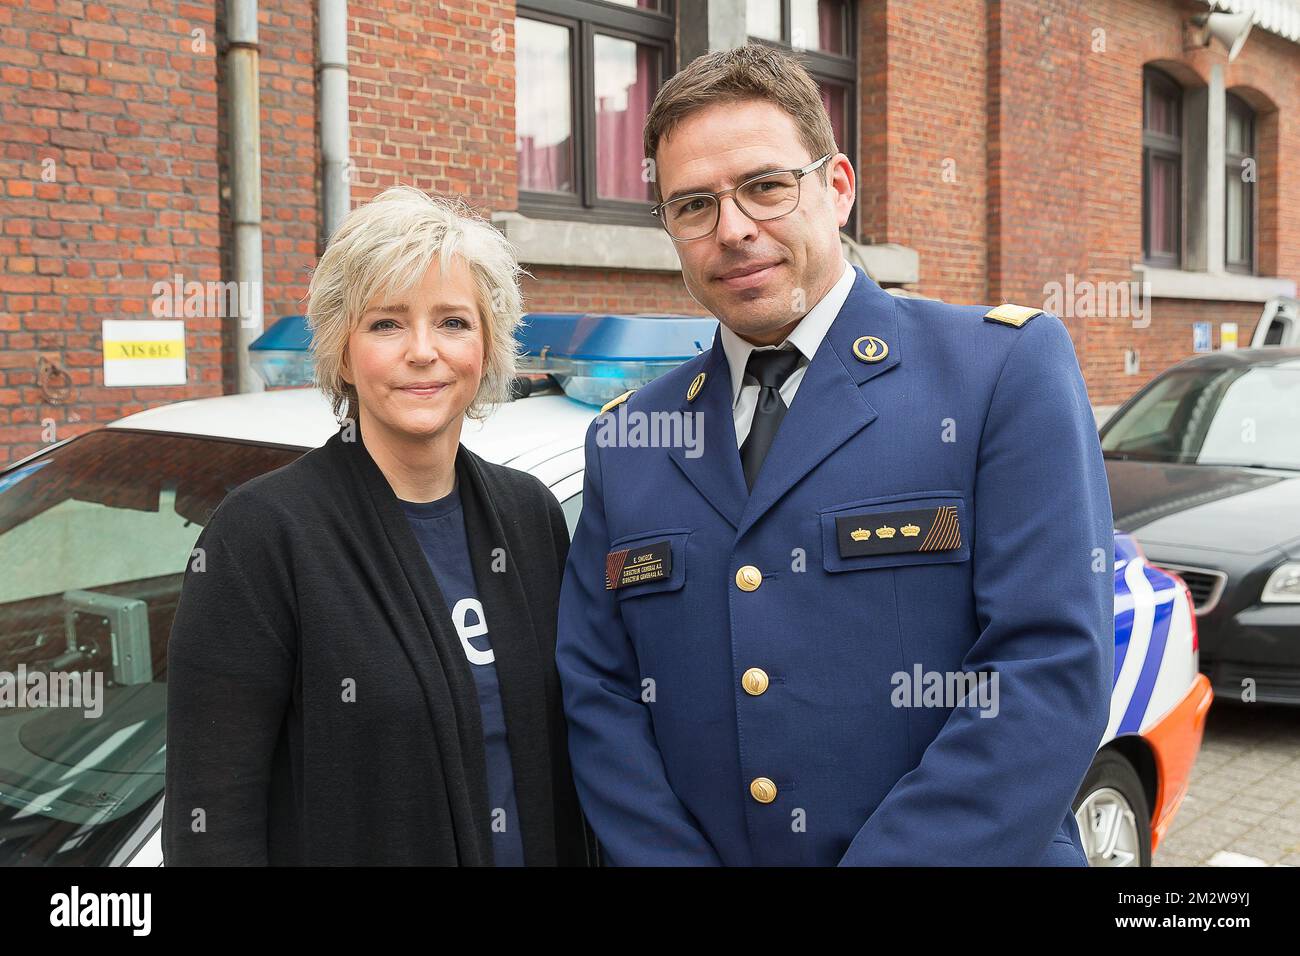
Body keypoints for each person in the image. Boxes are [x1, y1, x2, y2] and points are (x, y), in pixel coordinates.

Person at [556, 44, 1114, 866]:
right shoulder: (630, 437)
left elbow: (1047, 669)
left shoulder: (998, 372)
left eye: (765, 186)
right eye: (692, 206)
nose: (734, 228)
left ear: (838, 187)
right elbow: (599, 697)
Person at [164, 186, 588, 865]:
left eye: (453, 321)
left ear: (487, 344)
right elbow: (213, 819)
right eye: (386, 323)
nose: (423, 351)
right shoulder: (263, 537)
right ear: (340, 352)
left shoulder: (530, 515)